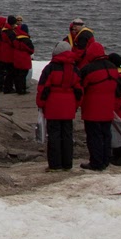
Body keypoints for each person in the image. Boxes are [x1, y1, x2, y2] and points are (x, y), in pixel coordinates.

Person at [73, 27, 121, 171]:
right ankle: (106, 160)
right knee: (106, 135)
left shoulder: (88, 69)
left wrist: (77, 104)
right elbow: (117, 88)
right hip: (107, 108)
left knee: (94, 137)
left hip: (92, 109)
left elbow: (81, 87)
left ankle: (96, 162)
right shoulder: (113, 68)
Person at [36, 40, 83, 170]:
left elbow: (42, 89)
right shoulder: (75, 69)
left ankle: (55, 165)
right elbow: (79, 91)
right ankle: (67, 164)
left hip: (53, 106)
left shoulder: (50, 68)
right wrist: (76, 106)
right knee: (67, 135)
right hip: (68, 106)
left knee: (54, 136)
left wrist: (41, 104)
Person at [6, 16, 35, 94]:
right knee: (23, 75)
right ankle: (22, 90)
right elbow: (32, 50)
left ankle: (19, 89)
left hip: (17, 58)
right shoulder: (27, 40)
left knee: (18, 75)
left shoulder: (16, 38)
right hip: (24, 59)